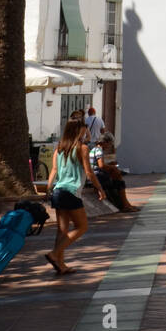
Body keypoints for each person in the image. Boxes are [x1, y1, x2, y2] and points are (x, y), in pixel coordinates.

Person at [45, 112, 107, 274]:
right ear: (78, 130)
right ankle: (54, 254)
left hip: (58, 191)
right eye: (83, 129)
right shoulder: (82, 148)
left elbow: (54, 170)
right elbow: (89, 173)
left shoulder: (59, 147)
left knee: (62, 230)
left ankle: (60, 264)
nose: (85, 132)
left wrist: (48, 189)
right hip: (71, 192)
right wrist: (100, 188)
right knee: (82, 226)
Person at [89, 135, 138, 212]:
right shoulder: (99, 150)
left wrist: (110, 164)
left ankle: (126, 204)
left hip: (96, 174)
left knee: (117, 177)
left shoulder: (95, 149)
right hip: (98, 176)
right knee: (119, 180)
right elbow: (101, 165)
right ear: (104, 142)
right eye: (109, 144)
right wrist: (113, 167)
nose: (109, 146)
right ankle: (125, 205)